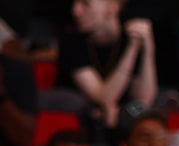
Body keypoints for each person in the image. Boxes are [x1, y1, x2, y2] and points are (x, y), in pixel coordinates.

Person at [59, 0, 155, 132]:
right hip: (83, 122)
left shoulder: (129, 34)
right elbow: (104, 98)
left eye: (85, 4)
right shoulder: (71, 41)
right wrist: (131, 50)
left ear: (112, 8)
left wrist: (148, 48)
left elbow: (144, 101)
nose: (75, 11)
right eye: (75, 3)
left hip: (122, 119)